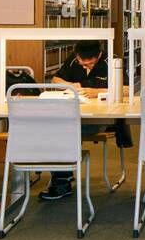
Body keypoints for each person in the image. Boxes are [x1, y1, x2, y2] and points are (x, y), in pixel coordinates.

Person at [39, 41, 132, 201]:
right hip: (73, 112)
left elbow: (127, 88)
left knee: (63, 132)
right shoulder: (74, 60)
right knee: (57, 128)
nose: (86, 67)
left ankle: (62, 179)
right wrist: (70, 85)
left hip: (101, 118)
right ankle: (63, 175)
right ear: (77, 57)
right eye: (83, 63)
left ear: (99, 55)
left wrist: (97, 91)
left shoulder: (112, 60)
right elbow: (56, 80)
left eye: (90, 64)